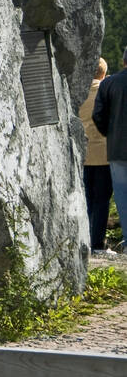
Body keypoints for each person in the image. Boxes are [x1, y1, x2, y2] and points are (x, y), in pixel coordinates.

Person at [91, 48, 127, 256]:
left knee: (123, 198)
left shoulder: (109, 83)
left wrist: (109, 133)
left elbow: (98, 115)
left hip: (117, 149)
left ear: (123, 61)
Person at [80, 58, 112, 254]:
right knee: (102, 199)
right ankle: (97, 243)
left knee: (86, 199)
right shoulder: (107, 89)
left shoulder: (79, 90)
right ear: (103, 73)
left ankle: (83, 238)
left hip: (82, 152)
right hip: (104, 153)